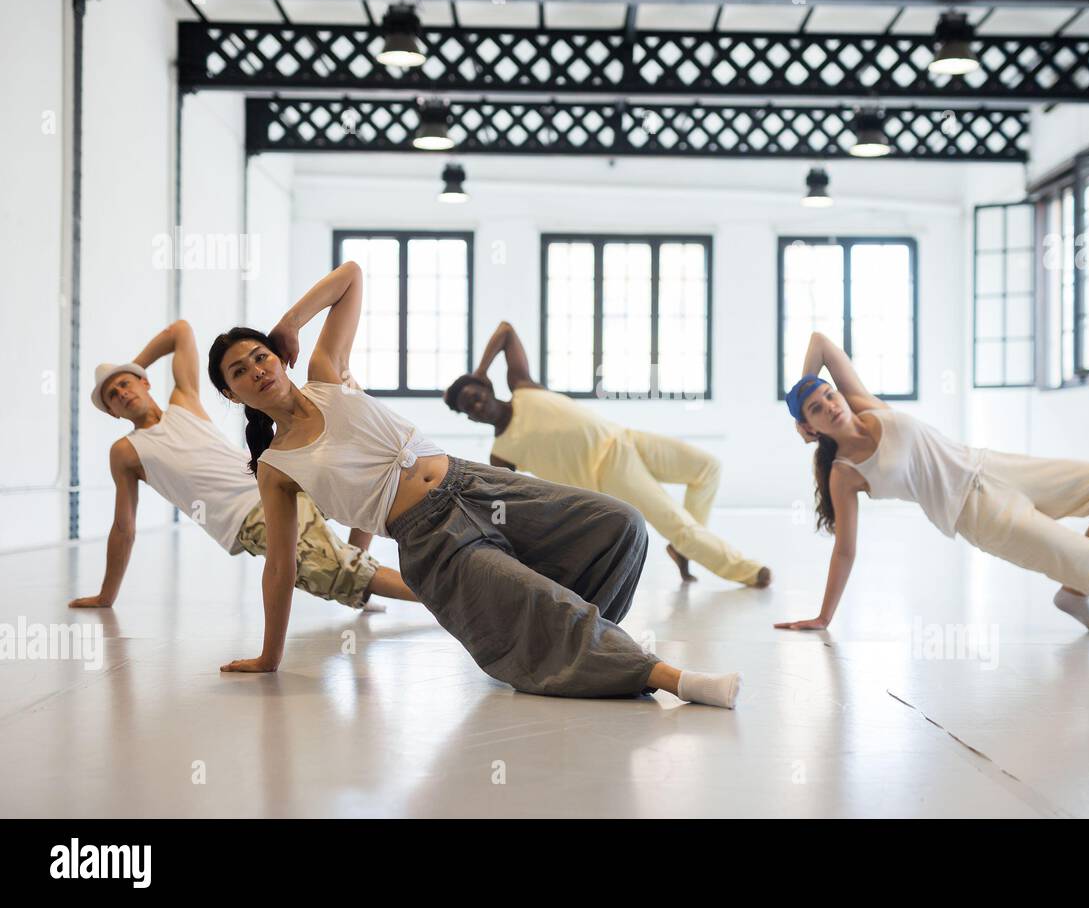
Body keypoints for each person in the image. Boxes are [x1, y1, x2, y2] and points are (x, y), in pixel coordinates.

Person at [206, 261, 741, 708]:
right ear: (232, 396)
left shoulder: (325, 373)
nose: (257, 369)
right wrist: (269, 657)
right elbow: (281, 565)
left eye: (260, 355)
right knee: (547, 603)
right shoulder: (277, 466)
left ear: (277, 355)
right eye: (239, 372)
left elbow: (351, 275)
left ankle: (563, 644)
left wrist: (290, 322)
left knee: (620, 524)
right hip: (432, 541)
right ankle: (674, 679)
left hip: (473, 482)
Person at [775, 331, 1089, 639]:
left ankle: (1073, 592)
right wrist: (823, 616)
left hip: (996, 467)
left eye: (827, 394)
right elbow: (845, 551)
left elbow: (820, 340)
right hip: (981, 515)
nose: (829, 404)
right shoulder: (846, 474)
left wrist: (800, 393)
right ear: (813, 428)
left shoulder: (865, 403)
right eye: (816, 409)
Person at [77, 319, 416, 612]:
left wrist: (132, 368)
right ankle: (361, 572)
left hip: (285, 475)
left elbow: (179, 331)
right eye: (112, 396)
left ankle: (361, 571)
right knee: (336, 570)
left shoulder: (184, 402)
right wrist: (107, 595)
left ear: (144, 382)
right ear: (112, 413)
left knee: (360, 497)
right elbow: (124, 527)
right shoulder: (125, 451)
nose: (121, 392)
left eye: (124, 384)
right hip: (251, 516)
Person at [443, 321, 771, 588]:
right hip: (608, 472)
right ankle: (747, 570)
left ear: (485, 387)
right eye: (468, 408)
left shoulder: (523, 385)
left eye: (474, 395)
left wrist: (480, 369)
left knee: (707, 467)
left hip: (623, 437)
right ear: (470, 418)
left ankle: (683, 549)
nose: (476, 405)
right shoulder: (501, 454)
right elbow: (510, 498)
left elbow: (506, 331)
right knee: (677, 523)